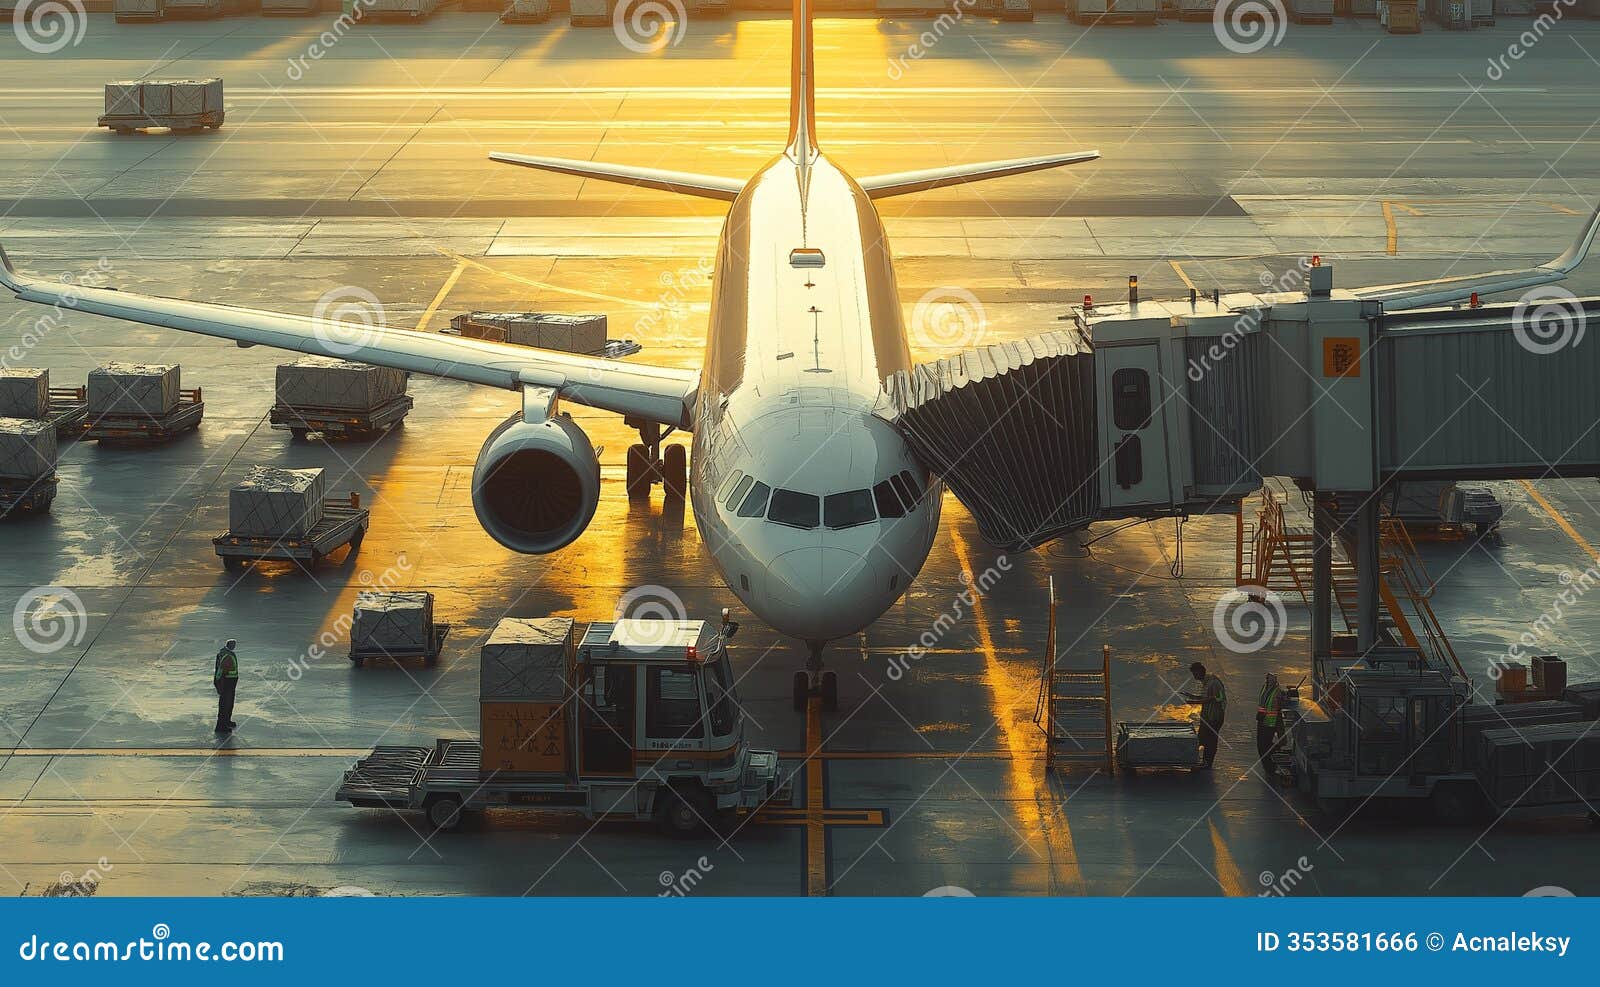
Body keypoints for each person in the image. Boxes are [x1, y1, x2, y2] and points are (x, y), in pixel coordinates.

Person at [1190, 662, 1226, 768]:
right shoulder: (1206, 682)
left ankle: (1207, 762)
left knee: (1210, 741)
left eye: (1195, 673)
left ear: (1200, 672)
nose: (1194, 676)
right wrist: (1193, 696)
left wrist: (1195, 703)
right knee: (1202, 738)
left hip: (1214, 718)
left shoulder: (1213, 683)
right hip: (1206, 717)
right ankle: (1204, 760)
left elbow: (1215, 698)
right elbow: (1206, 696)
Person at [1256, 672, 1283, 762]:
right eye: (1267, 678)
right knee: (1260, 744)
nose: (1267, 680)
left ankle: (1271, 758)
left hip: (1270, 722)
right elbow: (1262, 702)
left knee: (1265, 744)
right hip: (1262, 720)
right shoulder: (1264, 687)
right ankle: (1268, 757)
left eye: (1269, 679)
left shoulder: (1277, 691)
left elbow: (1278, 706)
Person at [214, 639, 239, 734]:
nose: (234, 646)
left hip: (229, 682)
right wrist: (219, 682)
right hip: (227, 682)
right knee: (225, 704)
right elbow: (221, 670)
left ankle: (226, 721)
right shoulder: (227, 655)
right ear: (229, 645)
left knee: (229, 703)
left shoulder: (225, 653)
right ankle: (221, 726)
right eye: (233, 644)